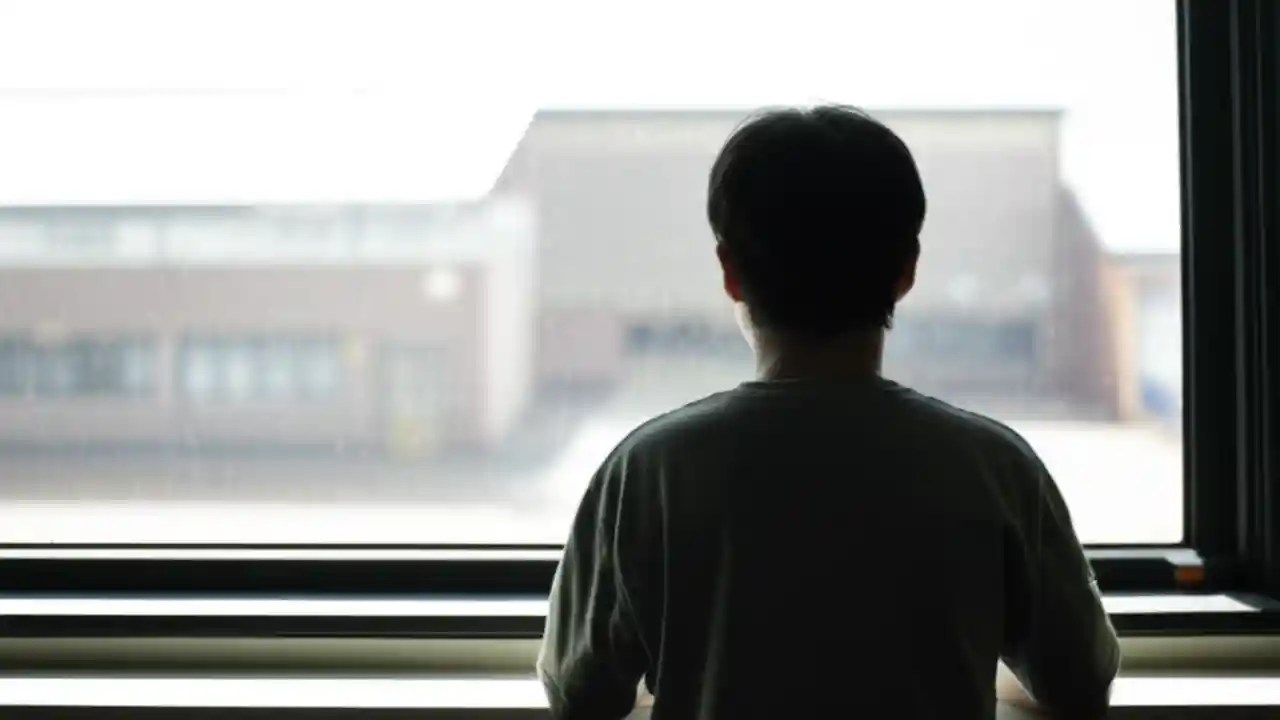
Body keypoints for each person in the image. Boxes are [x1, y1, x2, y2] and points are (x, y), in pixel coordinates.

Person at [537, 105, 1120, 719]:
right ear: (906, 271)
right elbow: (1080, 679)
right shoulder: (994, 467)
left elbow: (580, 693)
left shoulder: (649, 470)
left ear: (730, 271)